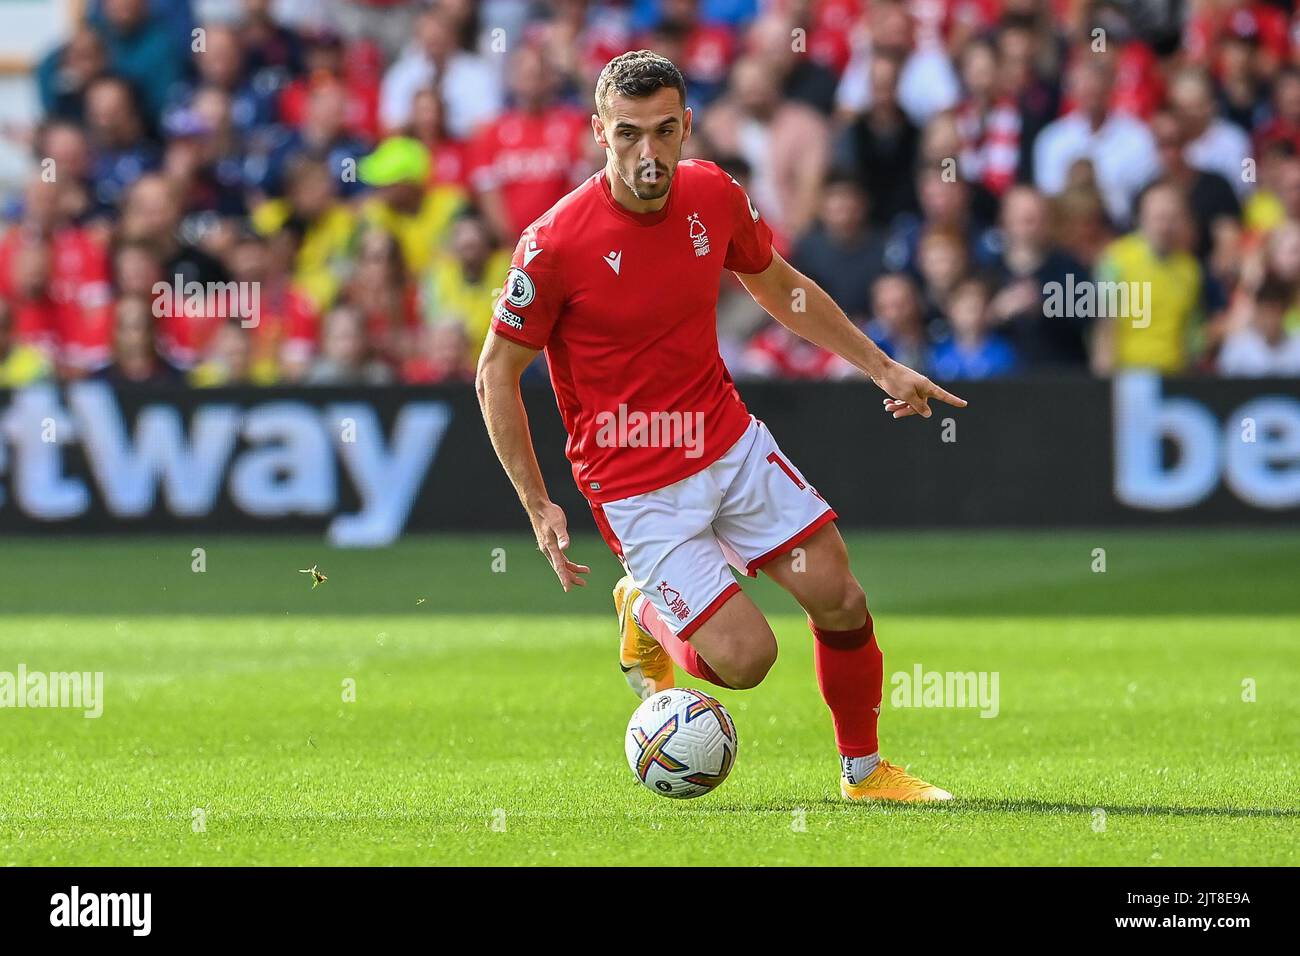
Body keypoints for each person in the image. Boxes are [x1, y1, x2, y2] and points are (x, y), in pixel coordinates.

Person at [476, 51, 964, 803]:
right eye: (629, 134)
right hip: (638, 487)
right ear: (598, 132)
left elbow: (780, 286)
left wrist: (882, 366)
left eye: (665, 131)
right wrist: (537, 503)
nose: (649, 153)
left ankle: (864, 774)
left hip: (729, 443)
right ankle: (643, 607)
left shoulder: (713, 193)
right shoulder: (553, 246)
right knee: (747, 660)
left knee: (841, 598)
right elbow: (495, 375)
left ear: (687, 127)